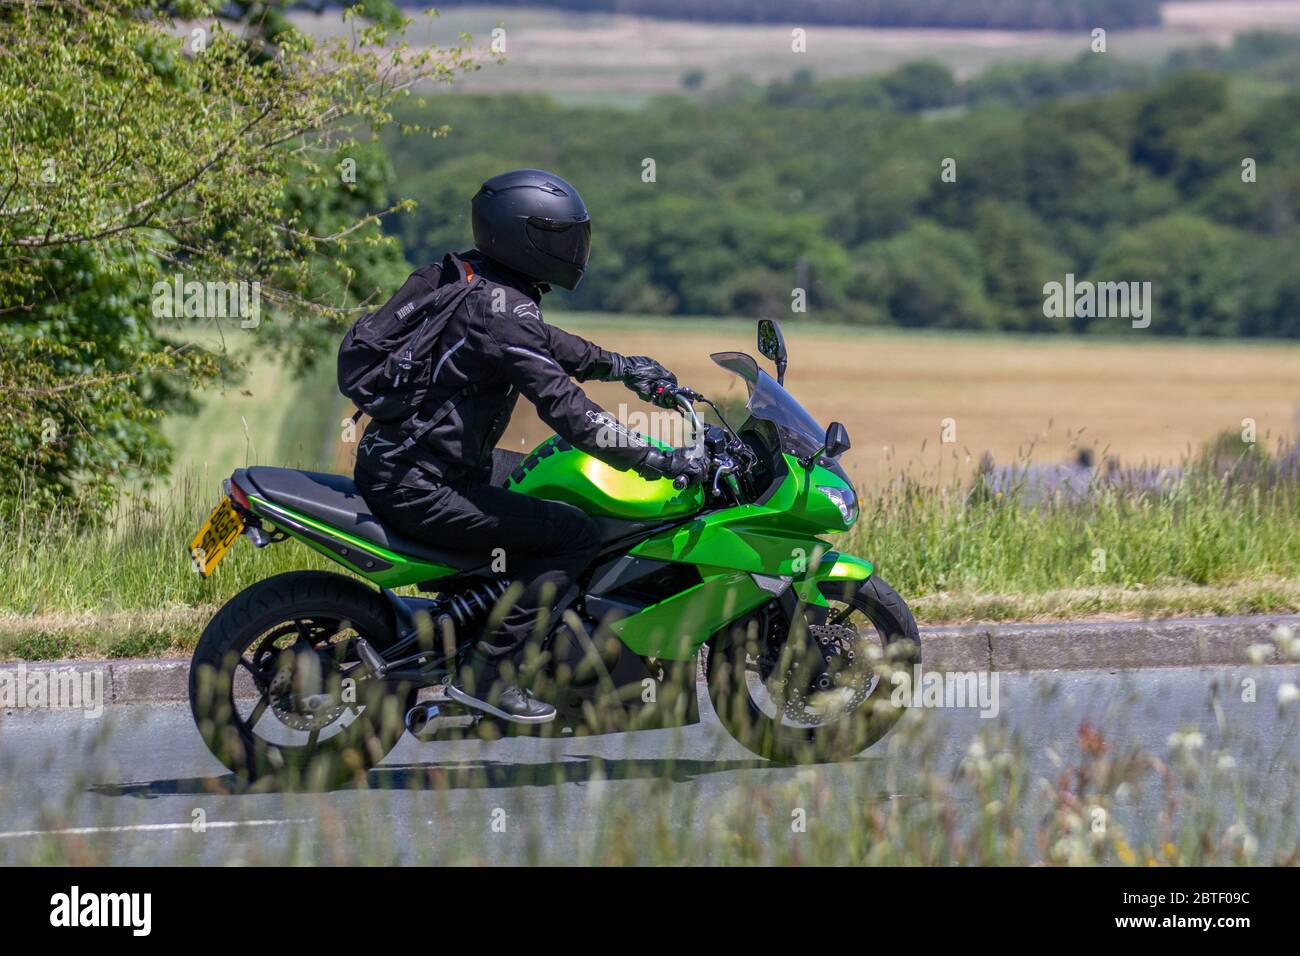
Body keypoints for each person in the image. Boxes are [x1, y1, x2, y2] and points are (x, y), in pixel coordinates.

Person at [354, 168, 705, 724]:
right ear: (521, 237)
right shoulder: (501, 310)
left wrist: (623, 367)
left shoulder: (477, 281)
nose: (571, 249)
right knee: (571, 536)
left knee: (542, 479)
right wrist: (654, 457)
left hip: (416, 462)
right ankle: (488, 675)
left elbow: (548, 342)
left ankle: (497, 627)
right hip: (422, 483)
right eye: (558, 236)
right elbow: (566, 408)